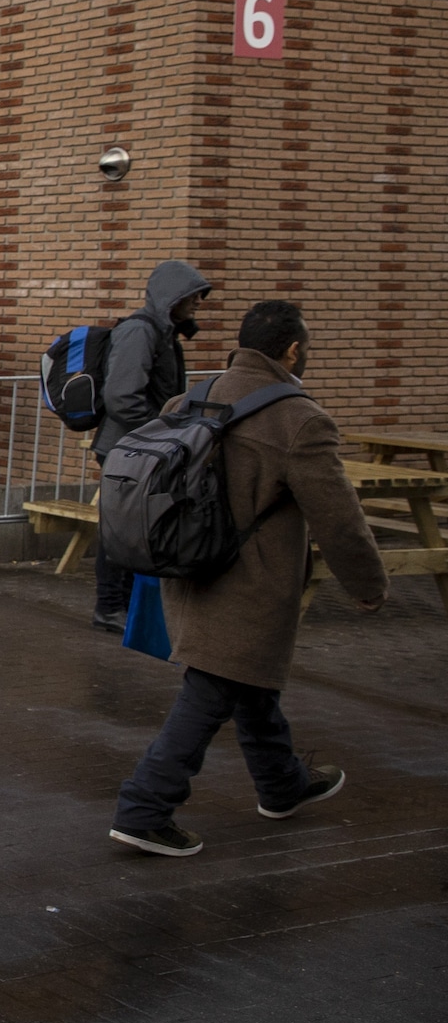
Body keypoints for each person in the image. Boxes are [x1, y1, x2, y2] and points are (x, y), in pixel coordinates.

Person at [108, 300, 387, 859]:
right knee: (212, 689)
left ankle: (282, 784)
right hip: (251, 583)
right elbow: (338, 517)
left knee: (248, 680)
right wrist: (369, 584)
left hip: (188, 572)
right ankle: (144, 809)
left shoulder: (192, 397)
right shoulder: (299, 419)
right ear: (292, 350)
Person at [91, 260, 212, 632]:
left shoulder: (163, 333)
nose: (198, 302)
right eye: (192, 295)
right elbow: (121, 397)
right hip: (128, 448)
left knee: (136, 527)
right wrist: (161, 432)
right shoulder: (140, 331)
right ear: (171, 296)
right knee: (122, 529)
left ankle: (126, 606)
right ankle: (109, 607)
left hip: (140, 448)